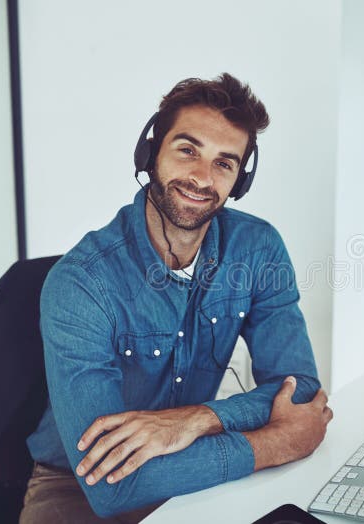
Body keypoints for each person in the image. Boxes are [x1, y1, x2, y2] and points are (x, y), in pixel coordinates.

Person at [20, 73, 333, 523]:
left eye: (225, 163)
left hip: (196, 453)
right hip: (72, 482)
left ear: (239, 180)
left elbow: (298, 389)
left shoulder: (259, 249)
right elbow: (114, 485)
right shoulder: (82, 282)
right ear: (149, 153)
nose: (203, 177)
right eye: (188, 150)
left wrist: (197, 419)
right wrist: (276, 442)